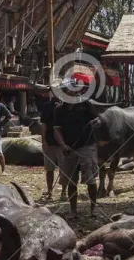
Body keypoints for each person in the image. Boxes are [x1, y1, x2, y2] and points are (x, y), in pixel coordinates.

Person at [52, 81, 100, 217]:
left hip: (86, 146)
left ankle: (93, 209)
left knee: (90, 179)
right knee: (71, 181)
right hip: (68, 149)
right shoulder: (59, 110)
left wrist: (96, 123)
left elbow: (98, 121)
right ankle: (73, 211)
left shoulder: (86, 105)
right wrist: (62, 145)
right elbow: (56, 130)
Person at [36, 92, 64, 200]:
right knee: (49, 169)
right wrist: (43, 141)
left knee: (64, 169)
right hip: (50, 142)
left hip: (63, 144)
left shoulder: (66, 105)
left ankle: (64, 192)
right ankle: (49, 191)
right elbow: (43, 124)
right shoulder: (47, 106)